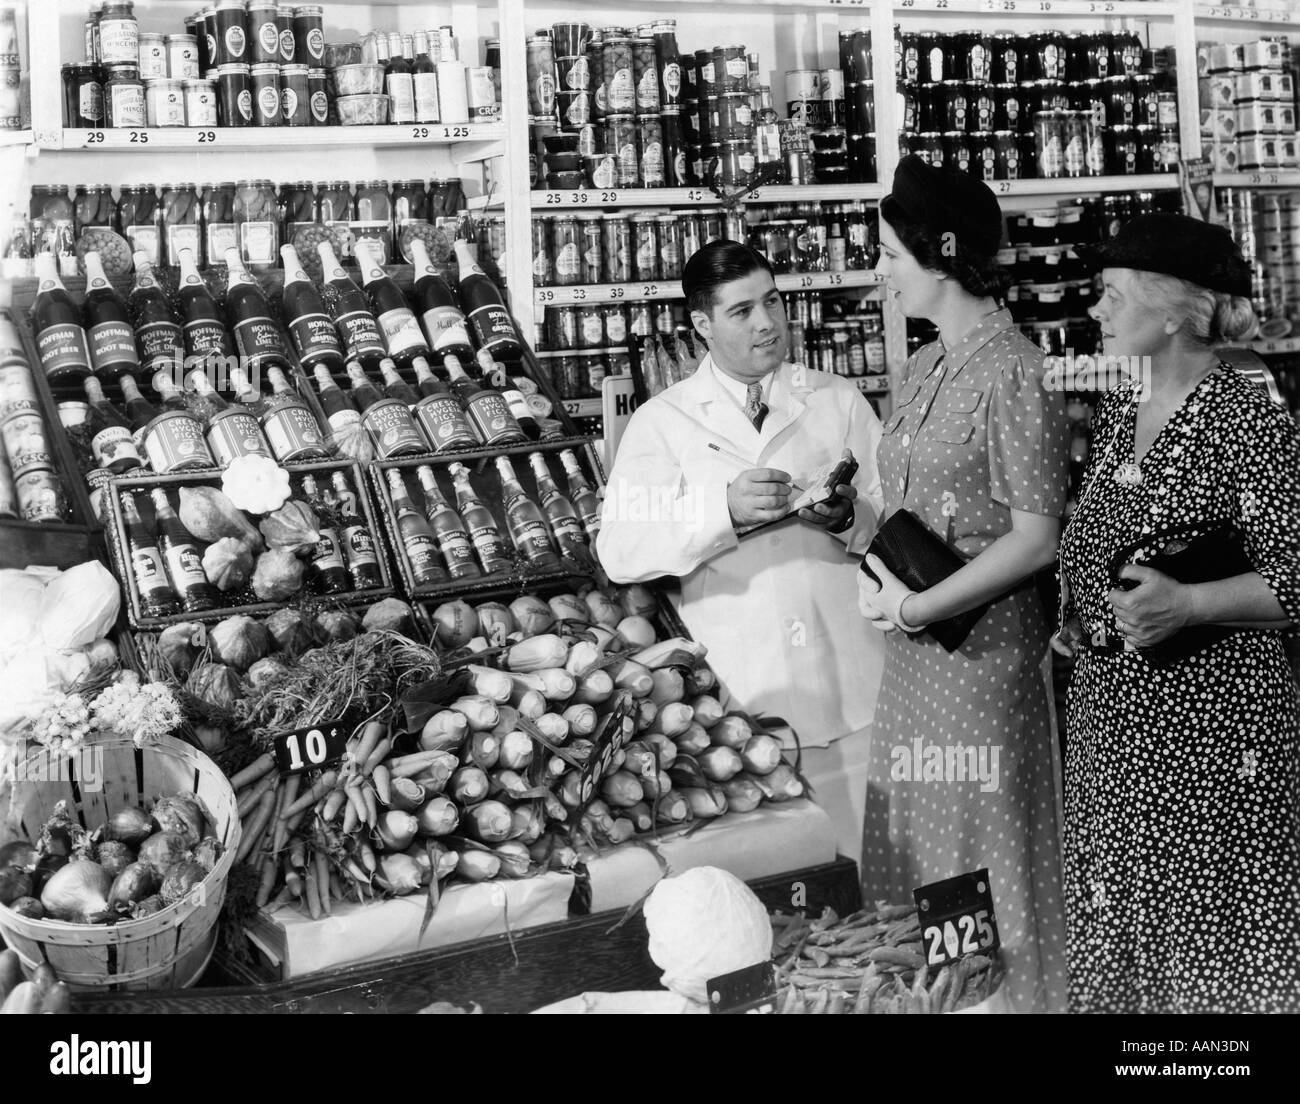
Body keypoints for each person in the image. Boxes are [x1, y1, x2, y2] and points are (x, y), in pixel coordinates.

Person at [1055, 213, 1300, 1013]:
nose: (1095, 309)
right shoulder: (1123, 407)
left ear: (1170, 312)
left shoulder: (1245, 415)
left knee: (1208, 945)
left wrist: (1190, 603)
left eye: (1113, 294)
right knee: (1127, 935)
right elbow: (1104, 540)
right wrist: (1081, 615)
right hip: (1115, 732)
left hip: (1212, 739)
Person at [856, 155, 1069, 1013]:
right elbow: (914, 515)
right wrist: (856, 535)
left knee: (979, 852)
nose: (881, 272)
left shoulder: (1017, 369)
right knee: (922, 857)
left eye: (890, 255)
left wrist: (914, 605)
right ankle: (938, 1004)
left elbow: (1035, 541)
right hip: (914, 665)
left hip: (981, 665)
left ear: (939, 257)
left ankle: (1005, 1004)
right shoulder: (922, 366)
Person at [596, 241, 886, 851]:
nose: (766, 322)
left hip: (854, 681)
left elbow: (895, 518)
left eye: (773, 302)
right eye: (742, 310)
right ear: (702, 324)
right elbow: (620, 548)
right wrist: (721, 511)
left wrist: (848, 517)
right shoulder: (662, 422)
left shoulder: (837, 400)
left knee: (871, 865)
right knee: (779, 871)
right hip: (736, 704)